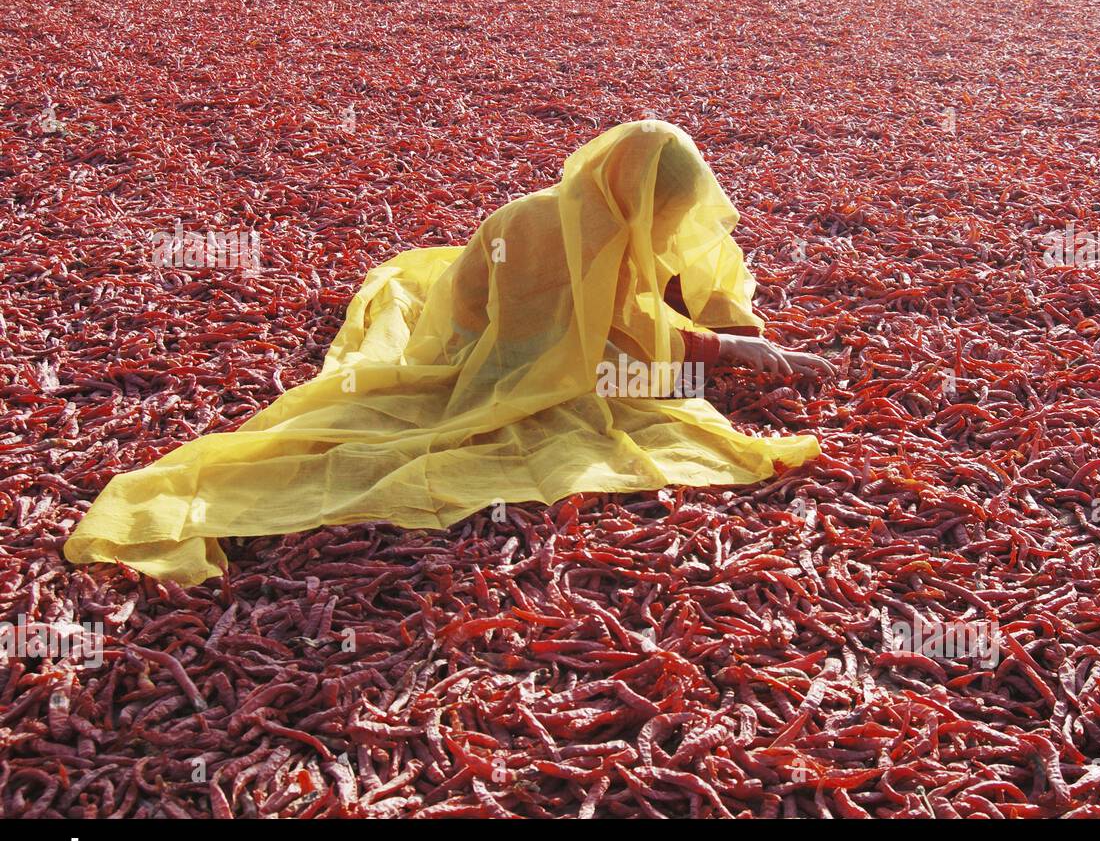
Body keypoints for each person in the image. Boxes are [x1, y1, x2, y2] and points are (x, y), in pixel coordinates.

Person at [64, 121, 834, 587]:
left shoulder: (591, 218)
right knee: (604, 403)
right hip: (487, 346)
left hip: (526, 319)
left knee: (638, 379)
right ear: (637, 199)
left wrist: (737, 334)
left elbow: (655, 291)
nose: (668, 228)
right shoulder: (550, 236)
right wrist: (723, 350)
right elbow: (581, 342)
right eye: (662, 211)